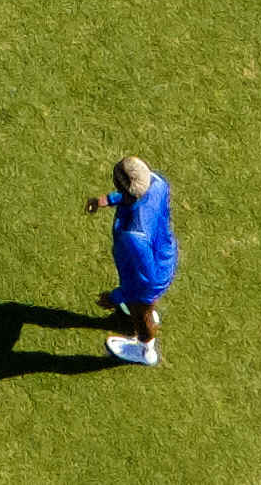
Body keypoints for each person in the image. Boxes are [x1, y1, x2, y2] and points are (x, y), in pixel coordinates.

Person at [86, 155, 177, 363]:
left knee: (141, 315)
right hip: (162, 253)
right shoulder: (158, 183)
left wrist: (115, 298)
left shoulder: (133, 237)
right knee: (142, 304)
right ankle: (144, 313)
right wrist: (108, 200)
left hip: (150, 276)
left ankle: (146, 350)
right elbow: (135, 197)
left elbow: (142, 283)